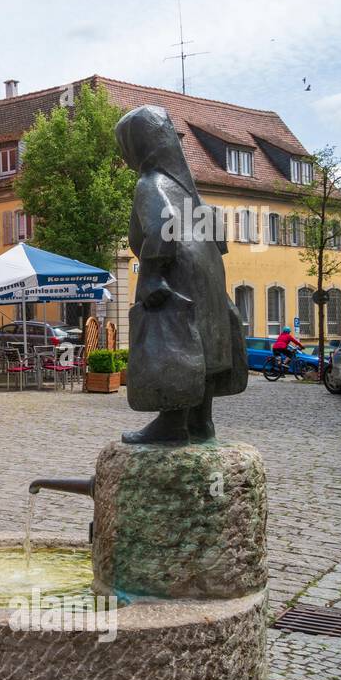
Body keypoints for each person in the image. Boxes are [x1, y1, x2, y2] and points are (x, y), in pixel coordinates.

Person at [115, 106, 248, 444]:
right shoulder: (188, 188)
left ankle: (173, 424)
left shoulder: (151, 183)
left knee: (172, 339)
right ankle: (201, 423)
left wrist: (151, 274)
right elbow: (216, 237)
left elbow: (162, 226)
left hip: (175, 270)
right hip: (206, 271)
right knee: (201, 343)